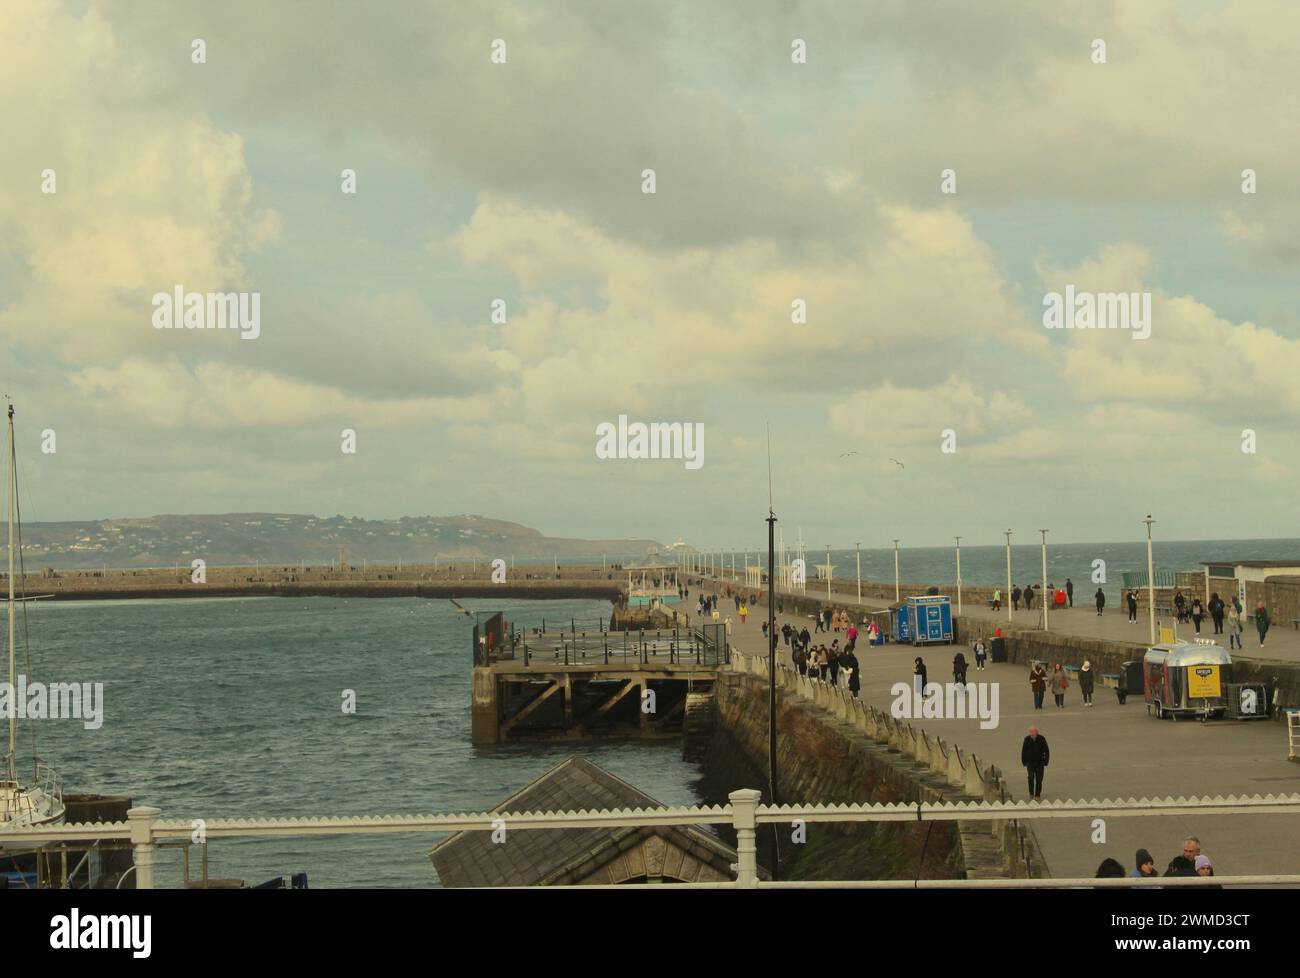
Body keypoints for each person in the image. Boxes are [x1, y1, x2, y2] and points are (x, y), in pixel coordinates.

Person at [1021, 726, 1049, 800]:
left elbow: (1046, 750)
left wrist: (1046, 761)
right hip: (1030, 763)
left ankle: (1037, 795)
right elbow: (1023, 751)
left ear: (1037, 732)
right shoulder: (1027, 739)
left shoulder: (1042, 739)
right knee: (1030, 778)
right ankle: (1031, 794)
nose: (1032, 733)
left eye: (1033, 732)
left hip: (1040, 763)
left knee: (1039, 780)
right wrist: (1024, 762)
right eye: (1030, 732)